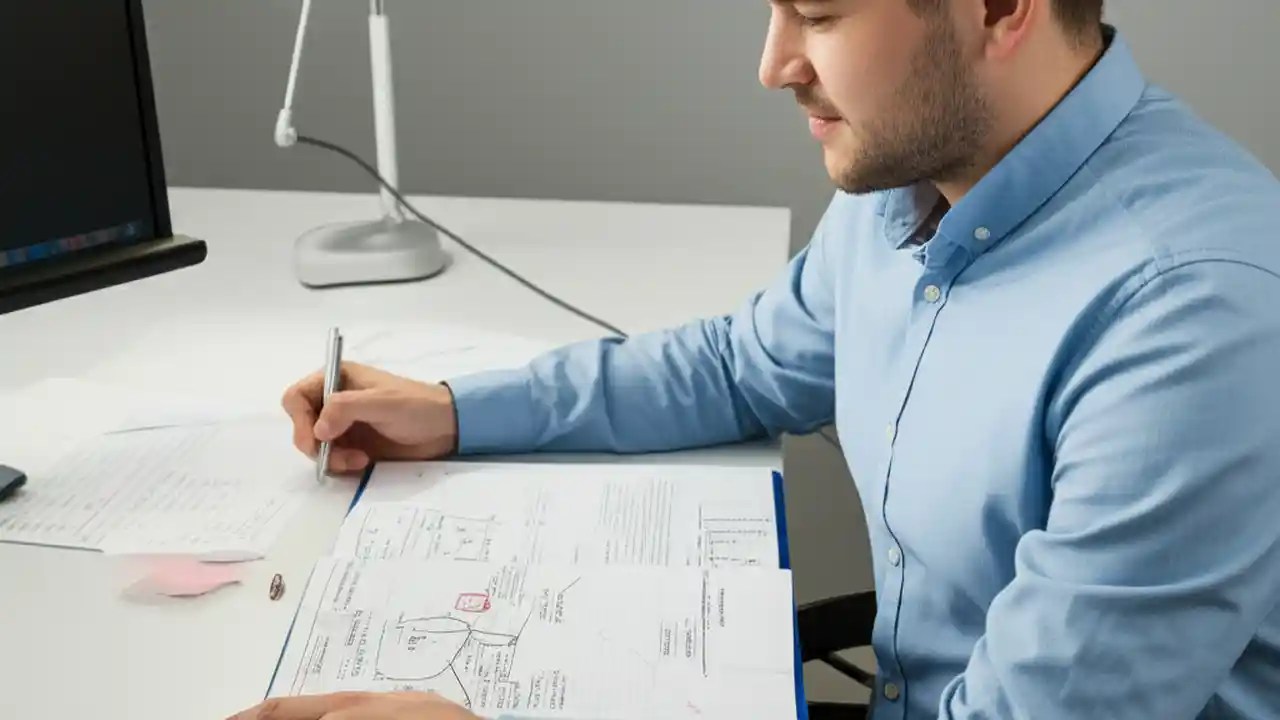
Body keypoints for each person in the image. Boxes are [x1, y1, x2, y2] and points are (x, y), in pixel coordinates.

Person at [231, 0, 1280, 718]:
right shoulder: (907, 175)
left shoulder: (1192, 317)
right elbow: (742, 364)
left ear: (1000, 6)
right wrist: (457, 412)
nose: (772, 63)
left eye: (819, 15)